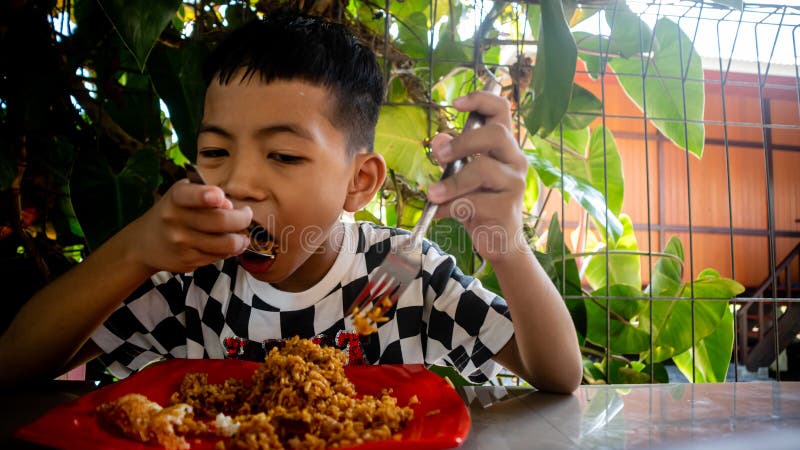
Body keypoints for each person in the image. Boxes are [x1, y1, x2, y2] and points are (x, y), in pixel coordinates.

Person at [0, 11, 581, 393]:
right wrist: (135, 252)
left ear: (360, 182)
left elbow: (557, 376)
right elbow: (16, 366)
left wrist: (506, 246)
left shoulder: (407, 276)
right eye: (214, 151)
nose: (239, 184)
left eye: (282, 155)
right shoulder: (188, 281)